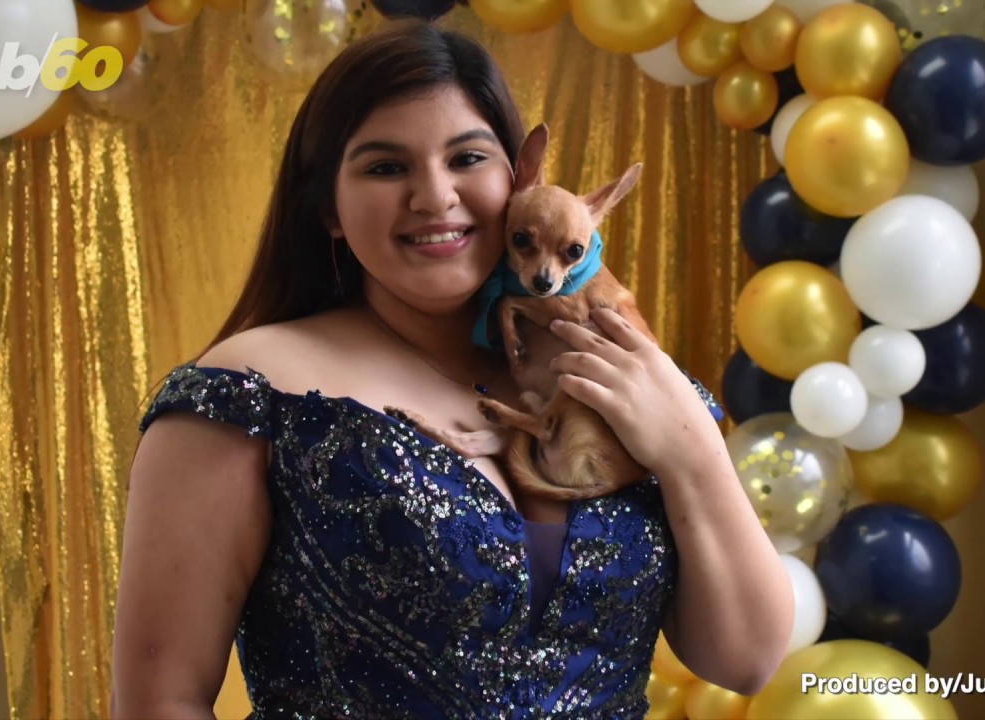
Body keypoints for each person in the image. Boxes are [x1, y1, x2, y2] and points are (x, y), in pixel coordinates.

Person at [111, 19, 793, 719]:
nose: (435, 197)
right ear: (329, 212)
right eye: (385, 166)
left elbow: (745, 659)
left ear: (520, 176)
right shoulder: (249, 390)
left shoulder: (624, 367)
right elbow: (160, 701)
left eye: (467, 158)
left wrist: (692, 451)